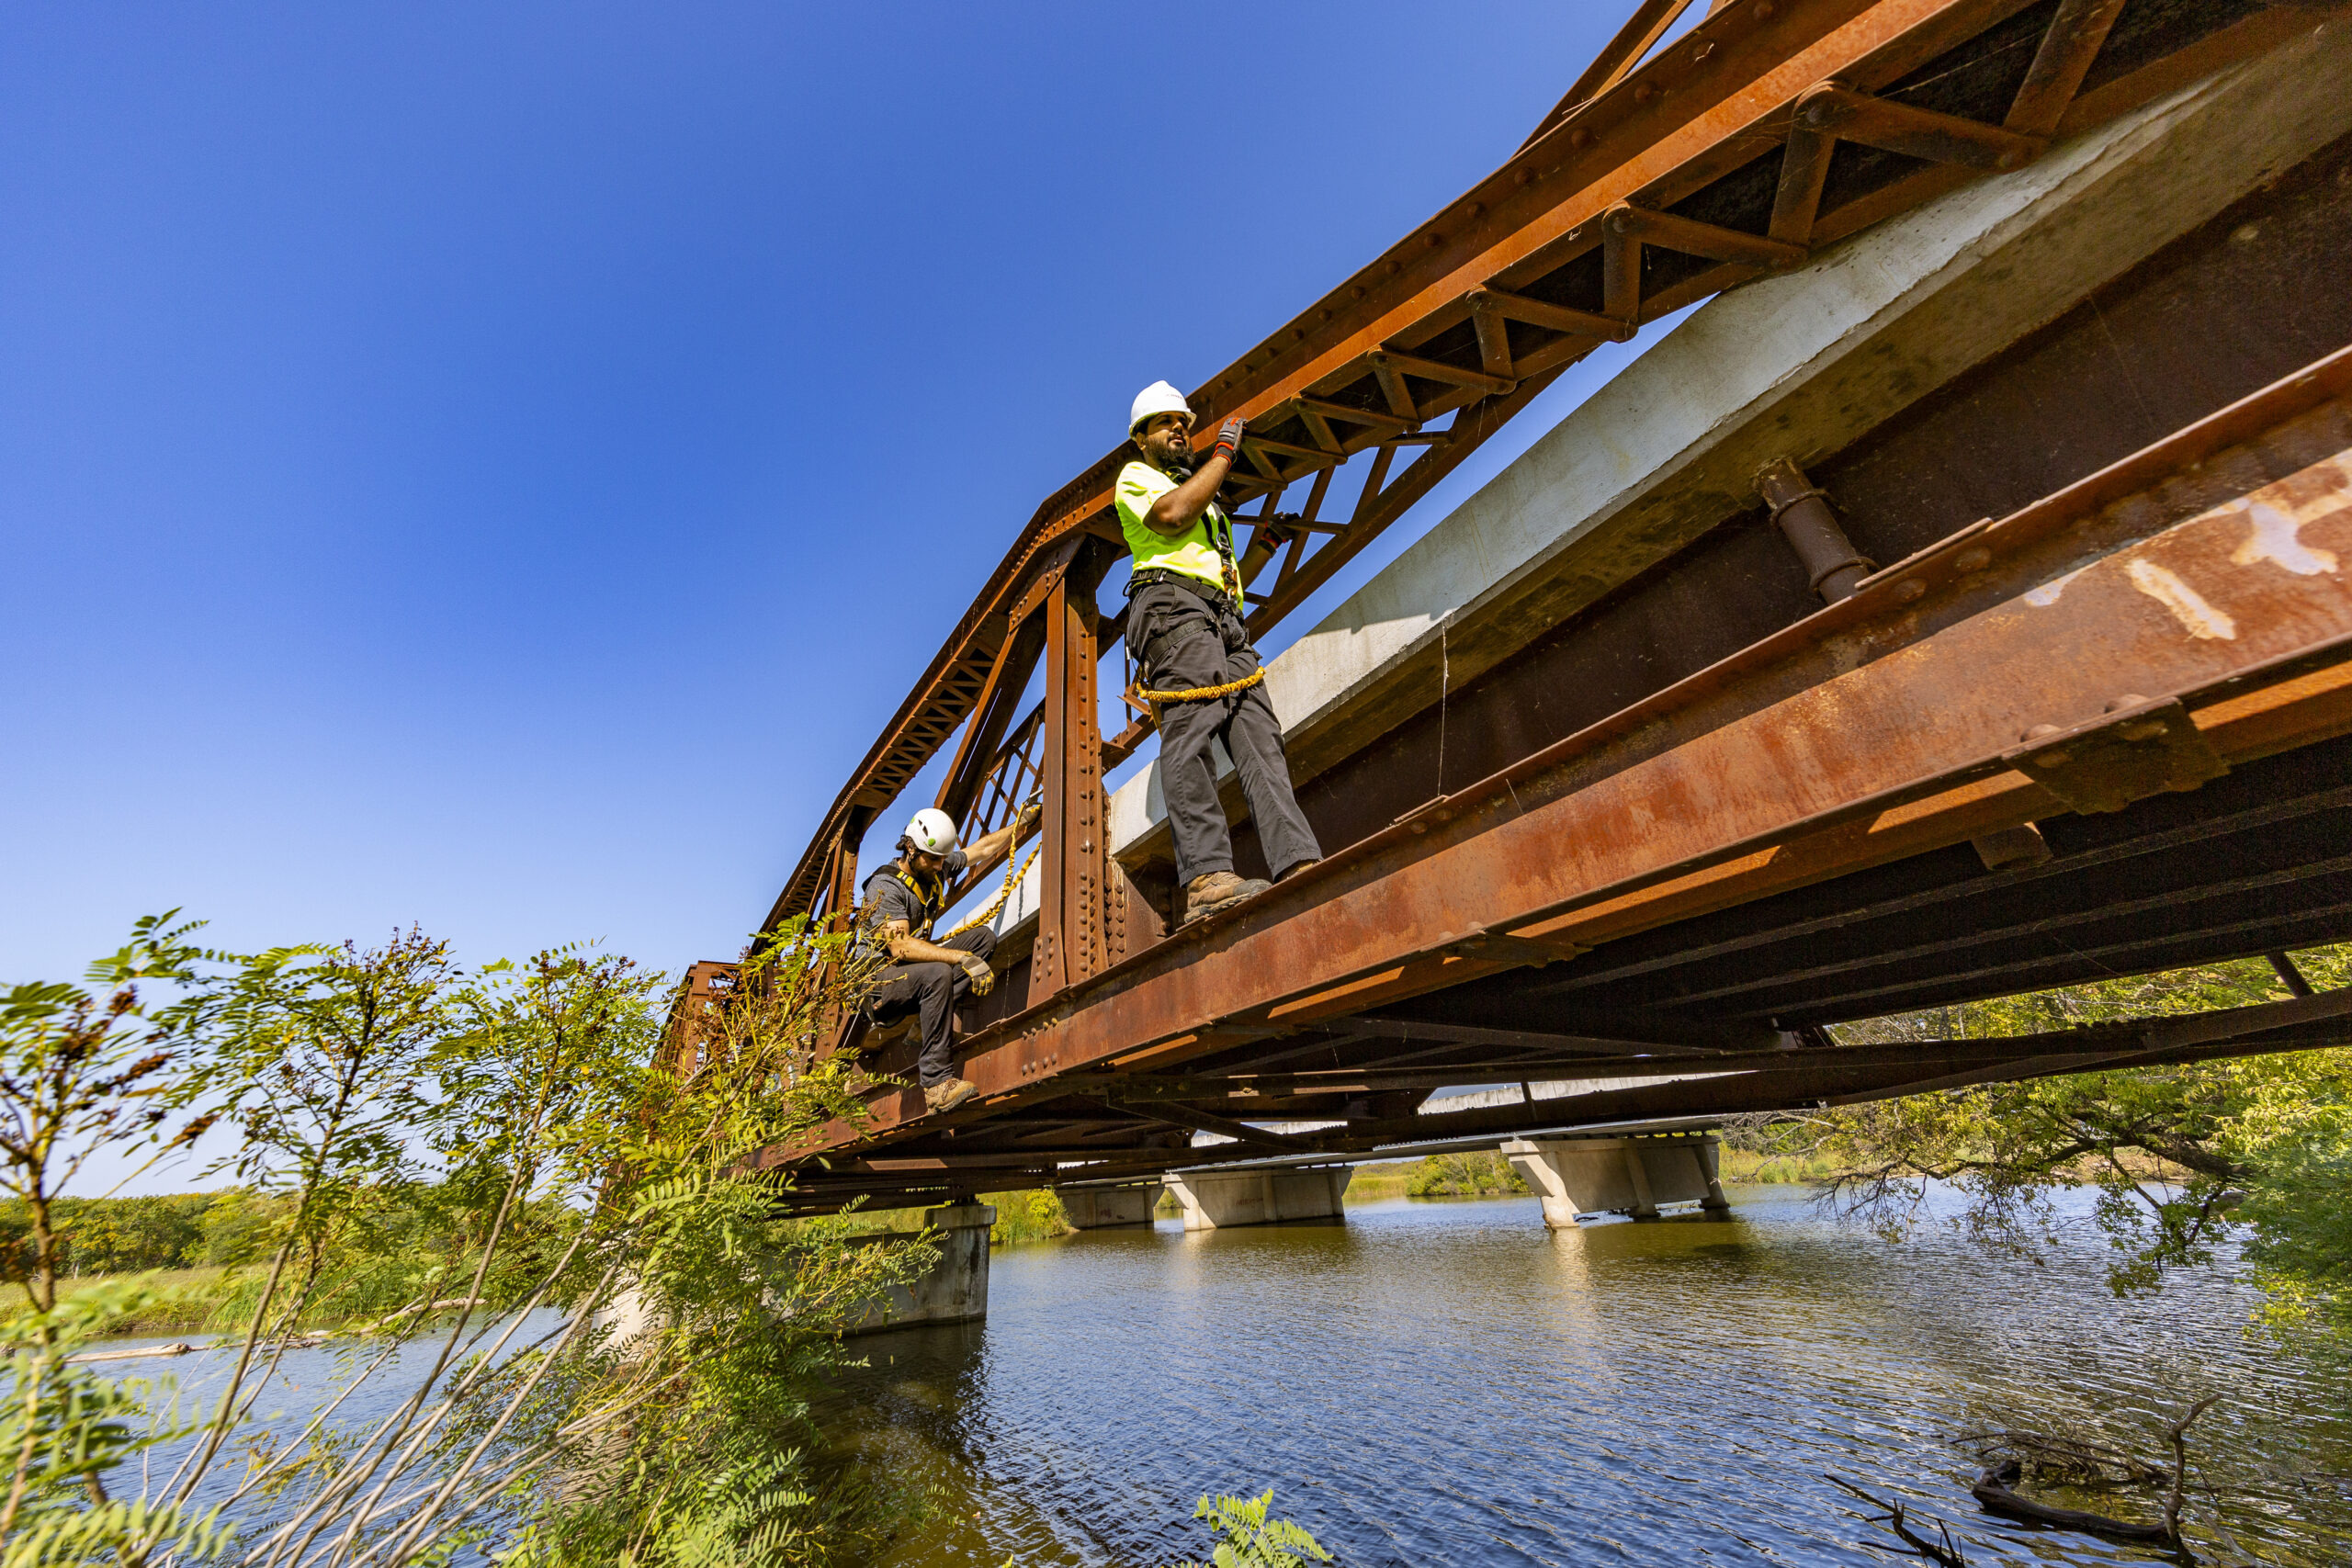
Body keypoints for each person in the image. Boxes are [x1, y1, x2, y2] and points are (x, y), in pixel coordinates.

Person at [1115, 381, 1322, 924]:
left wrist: (1267, 545)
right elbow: (1173, 517)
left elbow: (1228, 581)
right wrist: (1226, 453)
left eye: (1183, 421)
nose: (1179, 428)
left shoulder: (1213, 512)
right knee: (1191, 732)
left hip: (1221, 619)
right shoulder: (1138, 479)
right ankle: (1206, 876)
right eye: (1164, 423)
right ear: (1140, 439)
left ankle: (1297, 860)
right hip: (1172, 612)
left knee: (1261, 741)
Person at [859, 803, 1036, 1113]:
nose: (941, 866)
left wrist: (1020, 824)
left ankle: (924, 1028)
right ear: (910, 848)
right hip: (878, 986)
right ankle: (937, 1084)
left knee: (983, 939)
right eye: (934, 859)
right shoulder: (884, 886)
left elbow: (980, 850)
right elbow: (899, 947)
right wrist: (960, 958)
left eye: (943, 859)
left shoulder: (933, 865)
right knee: (938, 973)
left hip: (909, 976)